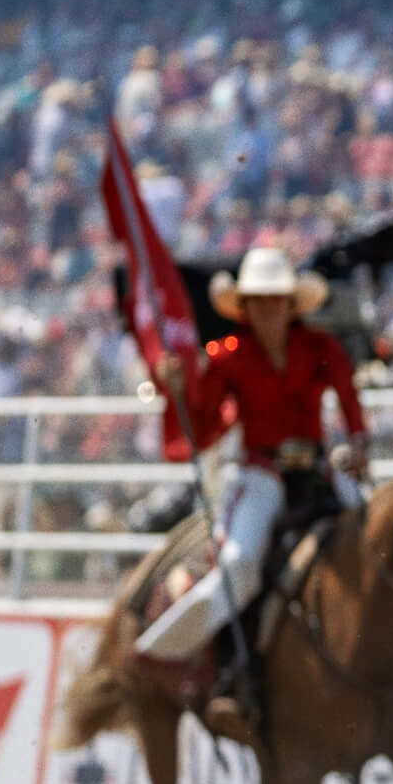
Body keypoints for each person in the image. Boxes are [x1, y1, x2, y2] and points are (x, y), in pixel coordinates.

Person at [135, 247, 369, 728]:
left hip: (317, 471)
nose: (268, 310)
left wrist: (360, 441)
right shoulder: (227, 357)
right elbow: (202, 425)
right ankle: (166, 651)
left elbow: (348, 396)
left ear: (291, 304)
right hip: (260, 474)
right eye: (258, 301)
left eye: (276, 300)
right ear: (245, 307)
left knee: (374, 541)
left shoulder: (320, 348)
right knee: (240, 564)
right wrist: (179, 388)